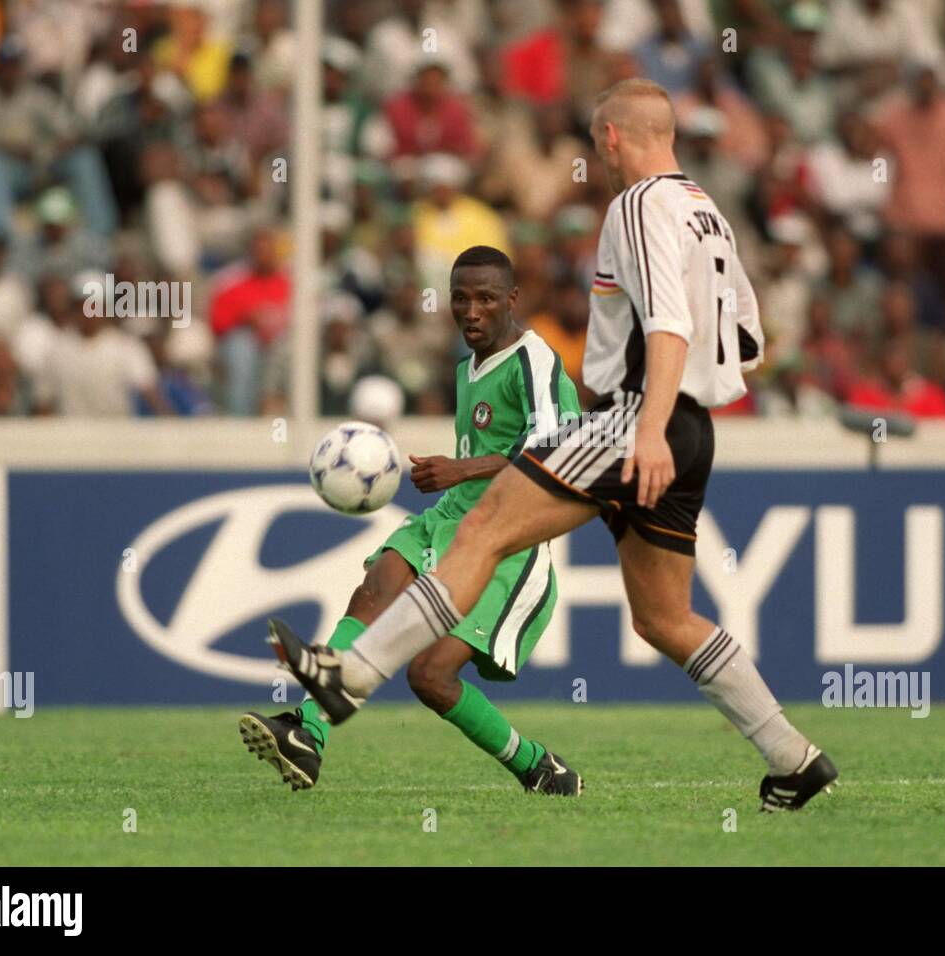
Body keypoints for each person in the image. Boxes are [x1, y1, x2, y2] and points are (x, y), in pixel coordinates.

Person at [269, 80, 838, 812]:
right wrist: (676, 414)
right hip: (694, 425)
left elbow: (667, 324)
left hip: (639, 417)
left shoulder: (637, 204)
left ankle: (347, 678)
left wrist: (651, 421)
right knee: (664, 617)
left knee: (482, 530)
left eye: (596, 144)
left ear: (609, 139)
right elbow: (749, 340)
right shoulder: (709, 215)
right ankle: (793, 757)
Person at [243, 246, 585, 796]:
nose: (471, 311)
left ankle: (538, 768)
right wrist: (456, 478)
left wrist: (460, 469)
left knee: (429, 676)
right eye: (460, 299)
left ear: (512, 300)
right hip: (450, 519)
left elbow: (559, 446)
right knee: (373, 590)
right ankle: (308, 733)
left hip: (507, 542)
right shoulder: (466, 366)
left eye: (486, 299)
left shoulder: (533, 359)